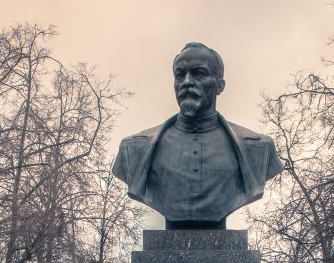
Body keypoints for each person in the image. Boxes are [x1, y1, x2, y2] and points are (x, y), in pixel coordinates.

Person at [112, 42, 283, 229]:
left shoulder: (258, 149)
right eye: (180, 74)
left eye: (198, 73)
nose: (187, 82)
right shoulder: (135, 149)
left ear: (219, 86)